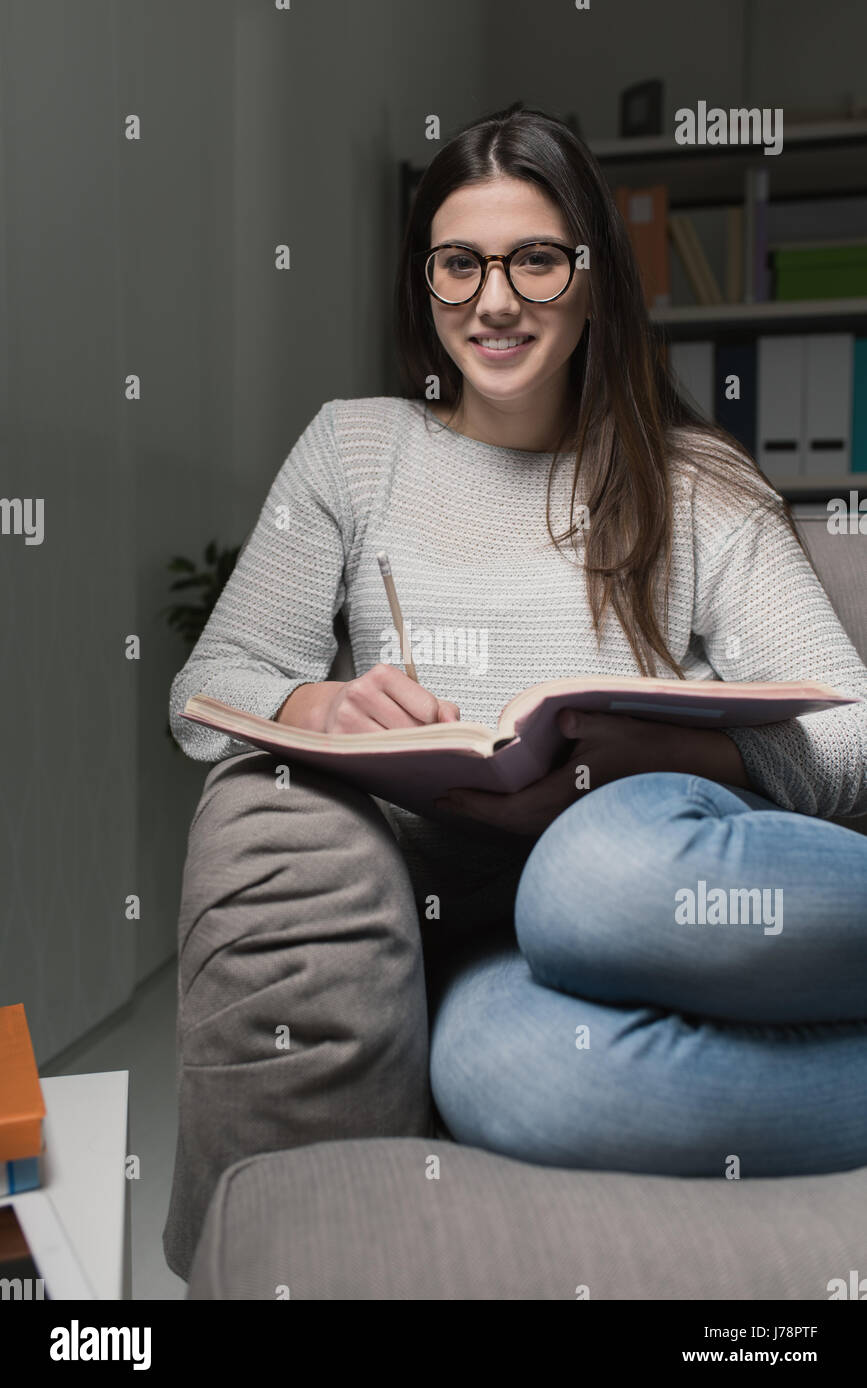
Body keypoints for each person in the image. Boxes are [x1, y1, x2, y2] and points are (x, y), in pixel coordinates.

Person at [167, 101, 867, 1234]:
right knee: (512, 1081)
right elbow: (211, 687)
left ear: (592, 278)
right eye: (460, 265)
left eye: (536, 259)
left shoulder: (699, 482)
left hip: (657, 874)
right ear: (424, 284)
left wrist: (668, 747)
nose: (495, 301)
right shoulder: (356, 449)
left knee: (591, 876)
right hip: (487, 941)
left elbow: (854, 732)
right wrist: (324, 700)